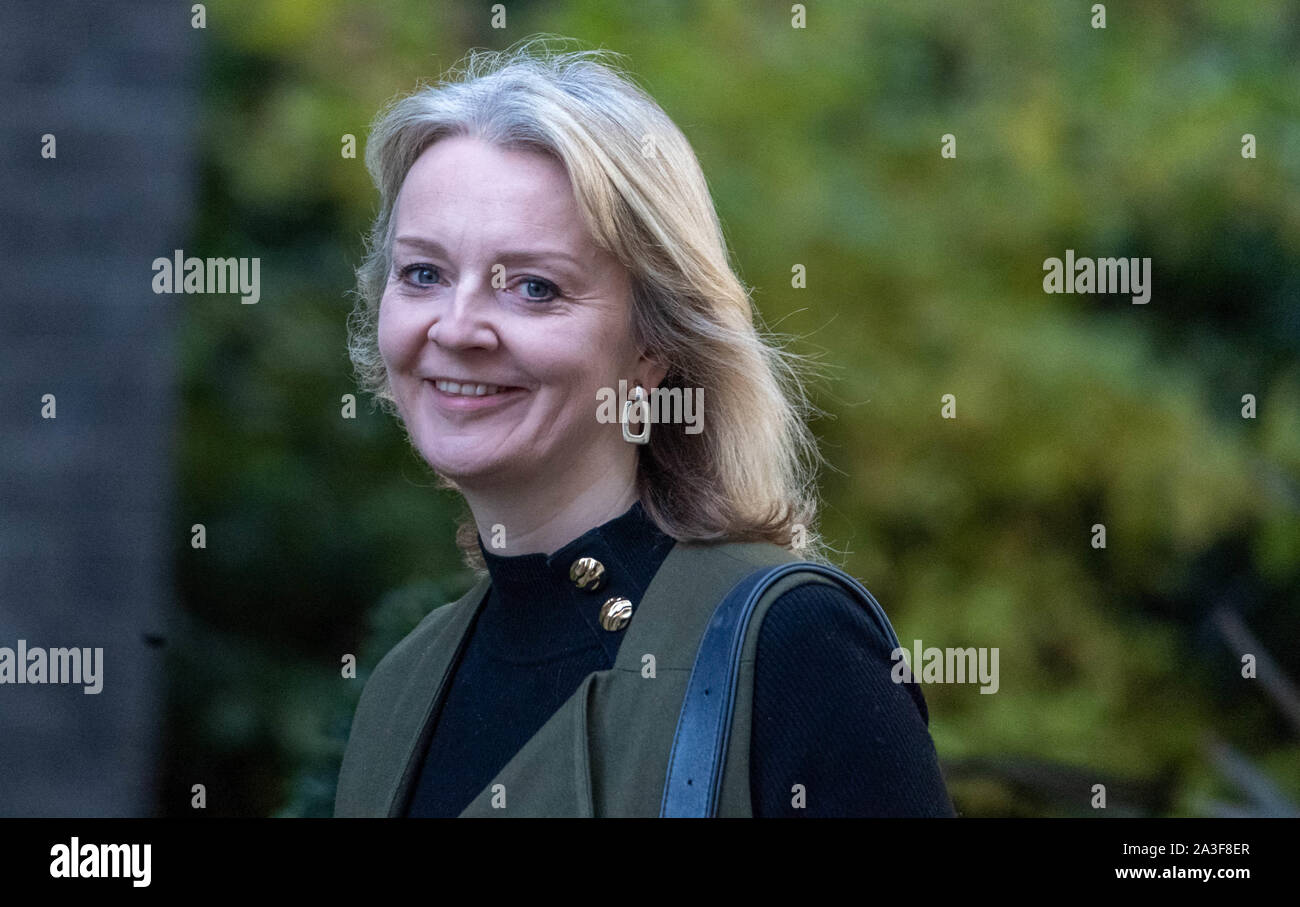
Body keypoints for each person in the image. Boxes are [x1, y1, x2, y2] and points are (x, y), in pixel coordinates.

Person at [335, 38, 955, 817]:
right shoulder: (400, 689)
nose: (456, 327)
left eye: (534, 287)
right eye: (423, 273)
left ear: (653, 347)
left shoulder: (795, 647)